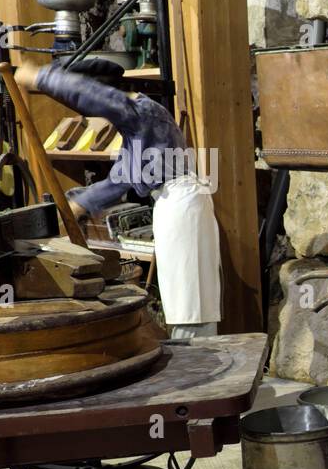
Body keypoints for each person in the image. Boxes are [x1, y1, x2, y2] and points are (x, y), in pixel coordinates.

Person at [15, 61, 221, 339]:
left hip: (181, 204)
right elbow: (119, 181)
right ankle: (197, 360)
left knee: (190, 300)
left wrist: (40, 77)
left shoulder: (141, 112)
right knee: (182, 298)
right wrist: (77, 206)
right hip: (172, 204)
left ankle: (200, 366)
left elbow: (90, 94)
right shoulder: (135, 129)